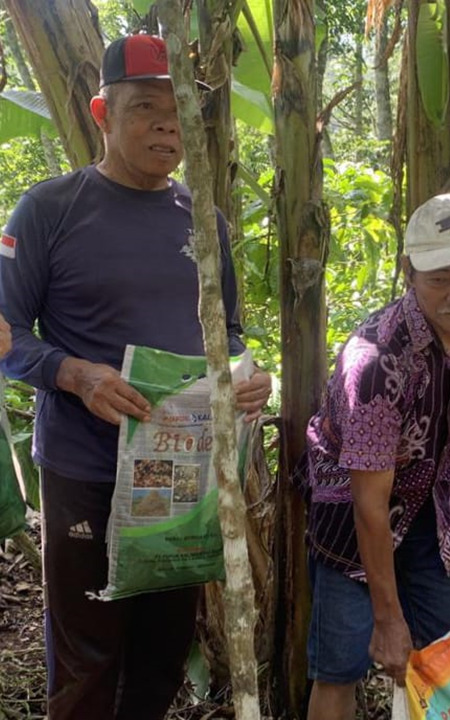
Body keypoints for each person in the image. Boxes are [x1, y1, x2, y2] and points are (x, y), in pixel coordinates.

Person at [0, 35, 271, 720]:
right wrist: (74, 374)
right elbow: (6, 335)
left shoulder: (202, 219)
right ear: (103, 113)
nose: (166, 126)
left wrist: (245, 374)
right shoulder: (50, 210)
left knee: (160, 655)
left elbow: (227, 331)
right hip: (86, 471)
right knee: (87, 659)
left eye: (179, 112)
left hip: (178, 478)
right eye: (146, 107)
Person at [297, 192, 450, 720]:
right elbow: (369, 505)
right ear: (409, 271)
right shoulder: (375, 362)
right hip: (351, 517)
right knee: (341, 667)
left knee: (449, 654)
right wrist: (388, 618)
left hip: (428, 502)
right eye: (440, 278)